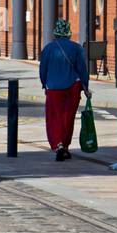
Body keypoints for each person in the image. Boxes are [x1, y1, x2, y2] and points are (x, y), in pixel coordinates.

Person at [38, 18, 91, 161]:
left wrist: (44, 83)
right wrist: (85, 86)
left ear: (55, 33)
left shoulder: (48, 49)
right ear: (68, 33)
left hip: (53, 88)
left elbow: (43, 70)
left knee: (54, 117)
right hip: (72, 87)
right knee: (68, 117)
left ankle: (58, 144)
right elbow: (82, 69)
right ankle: (66, 146)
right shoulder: (76, 48)